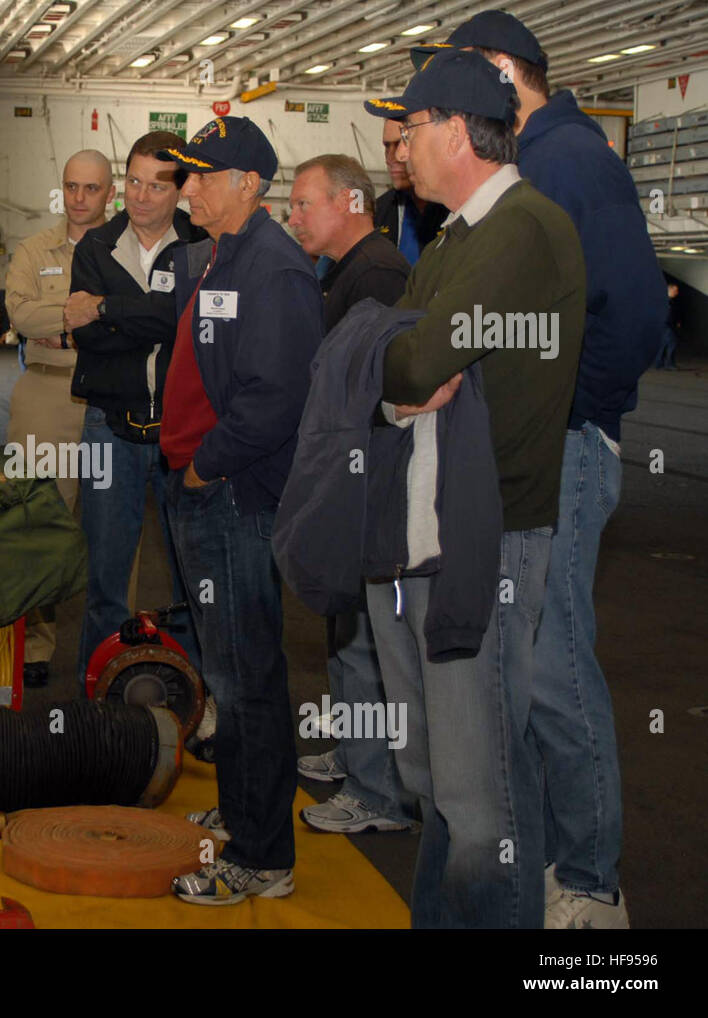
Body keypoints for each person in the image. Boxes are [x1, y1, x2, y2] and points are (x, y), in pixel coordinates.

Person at [418, 8, 668, 929]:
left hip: (560, 451)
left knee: (554, 670)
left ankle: (592, 884)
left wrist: (560, 413)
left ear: (498, 73)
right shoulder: (539, 165)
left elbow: (638, 321)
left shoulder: (566, 162)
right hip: (530, 450)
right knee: (518, 675)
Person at [363, 49, 585, 928]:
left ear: (456, 131)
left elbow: (414, 354)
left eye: (410, 131)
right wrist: (394, 360)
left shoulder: (523, 228)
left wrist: (398, 359)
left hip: (488, 538)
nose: (400, 151)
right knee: (445, 783)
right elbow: (393, 355)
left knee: (476, 792)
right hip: (436, 527)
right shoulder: (459, 235)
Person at [156, 117, 323, 904]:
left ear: (248, 185)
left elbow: (274, 400)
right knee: (229, 674)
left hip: (231, 497)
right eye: (184, 174)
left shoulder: (275, 270)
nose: (185, 188)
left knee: (247, 679)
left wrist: (203, 467)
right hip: (205, 489)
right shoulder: (225, 254)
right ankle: (244, 808)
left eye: (200, 175)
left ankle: (261, 857)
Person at [286, 153, 412, 835]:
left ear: (351, 202)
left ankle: (379, 793)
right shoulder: (348, 271)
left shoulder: (379, 273)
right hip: (350, 477)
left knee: (367, 641)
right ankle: (363, 758)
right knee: (349, 633)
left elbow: (380, 389)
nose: (294, 216)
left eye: (306, 203)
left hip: (369, 483)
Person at [62, 131, 205, 686]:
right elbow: (92, 339)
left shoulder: (200, 245)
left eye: (157, 185)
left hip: (183, 435)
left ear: (181, 189)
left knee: (190, 577)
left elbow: (186, 321)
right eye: (134, 182)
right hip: (110, 432)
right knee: (106, 578)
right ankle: (94, 696)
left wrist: (107, 309)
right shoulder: (94, 248)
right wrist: (147, 316)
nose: (141, 196)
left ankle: (191, 696)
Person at [4, 149, 114, 688]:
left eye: (91, 188)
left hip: (110, 401)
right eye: (71, 186)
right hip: (45, 397)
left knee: (115, 529)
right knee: (36, 523)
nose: (79, 198)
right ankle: (33, 647)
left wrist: (67, 326)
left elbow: (141, 316)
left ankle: (113, 645)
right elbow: (20, 315)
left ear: (108, 194)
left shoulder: (124, 250)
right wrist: (89, 319)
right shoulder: (34, 248)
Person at [375, 120, 447, 263]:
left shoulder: (454, 207)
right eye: (387, 146)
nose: (392, 157)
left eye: (401, 143)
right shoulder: (379, 210)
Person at [657, 282, 680, 369]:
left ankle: (659, 363)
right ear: (670, 290)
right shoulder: (666, 301)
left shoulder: (668, 300)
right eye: (675, 290)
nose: (677, 292)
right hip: (666, 325)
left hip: (665, 325)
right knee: (672, 343)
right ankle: (669, 364)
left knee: (663, 344)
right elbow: (667, 314)